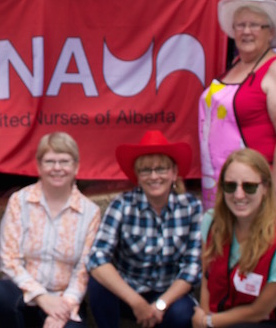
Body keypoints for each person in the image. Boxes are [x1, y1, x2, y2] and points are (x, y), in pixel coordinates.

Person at [199, 0, 276, 211]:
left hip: (254, 190)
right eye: (240, 25)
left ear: (270, 33)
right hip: (220, 186)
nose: (246, 31)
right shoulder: (236, 65)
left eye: (255, 25)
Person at [86, 130, 201, 328]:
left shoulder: (191, 208)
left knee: (183, 314)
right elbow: (97, 259)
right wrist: (136, 302)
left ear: (174, 173)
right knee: (98, 287)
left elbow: (192, 268)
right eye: (146, 170)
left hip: (167, 294)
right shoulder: (122, 205)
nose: (154, 176)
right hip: (127, 292)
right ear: (137, 177)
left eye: (161, 169)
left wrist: (160, 305)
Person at [0, 132, 100, 328]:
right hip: (24, 295)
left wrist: (62, 311)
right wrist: (41, 297)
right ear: (38, 166)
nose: (57, 168)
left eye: (64, 161)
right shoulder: (19, 202)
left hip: (64, 300)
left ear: (76, 167)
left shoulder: (90, 212)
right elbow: (9, 260)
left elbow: (83, 270)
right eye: (50, 161)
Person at [193, 148, 276, 328]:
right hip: (225, 313)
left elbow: (260, 311)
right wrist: (203, 317)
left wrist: (209, 322)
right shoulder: (211, 221)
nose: (239, 194)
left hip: (271, 320)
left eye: (249, 186)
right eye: (230, 185)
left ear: (265, 188)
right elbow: (206, 278)